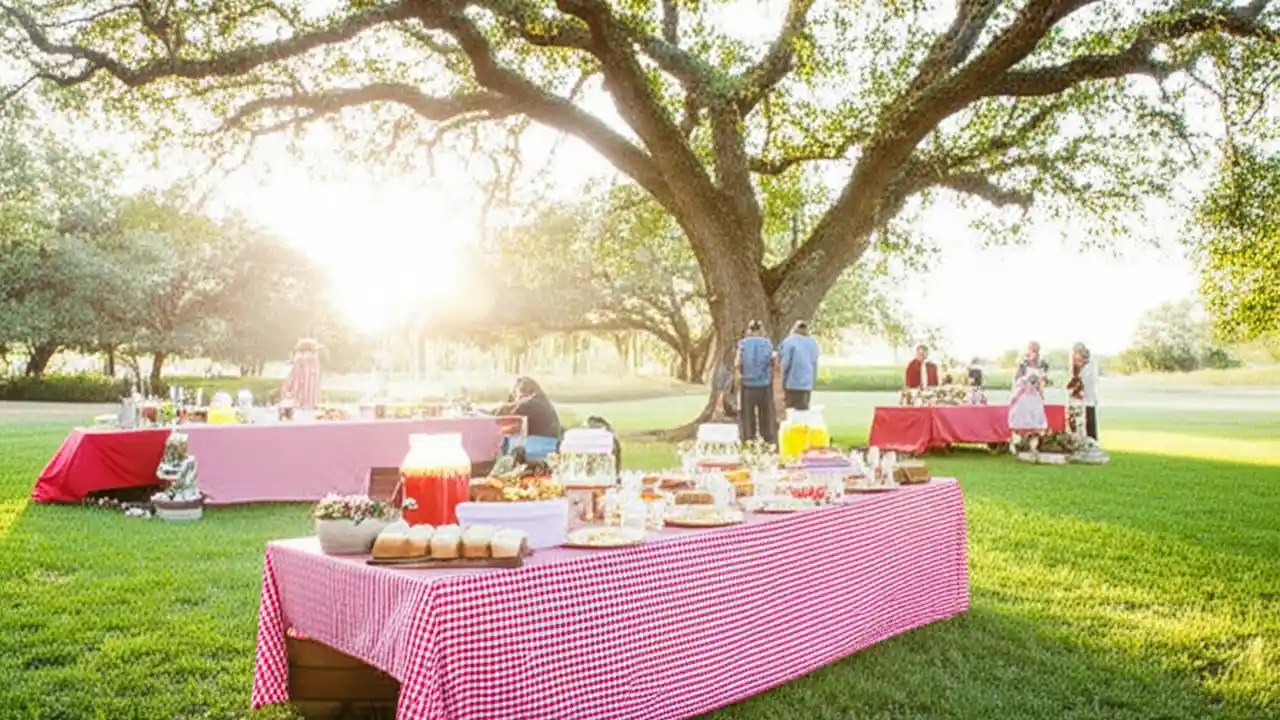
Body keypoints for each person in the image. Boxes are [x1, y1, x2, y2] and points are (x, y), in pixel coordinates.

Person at [735, 320, 777, 444]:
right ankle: (767, 439)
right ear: (761, 330)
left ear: (749, 330)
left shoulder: (742, 344)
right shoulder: (767, 343)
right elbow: (773, 361)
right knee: (766, 414)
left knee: (748, 415)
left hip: (748, 384)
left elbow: (737, 363)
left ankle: (748, 439)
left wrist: (740, 377)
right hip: (764, 384)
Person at [498, 377, 563, 440]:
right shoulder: (543, 402)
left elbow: (504, 414)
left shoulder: (529, 405)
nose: (515, 399)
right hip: (551, 443)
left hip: (538, 445)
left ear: (522, 392)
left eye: (515, 394)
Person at [1009, 342, 1049, 441]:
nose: (1033, 352)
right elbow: (1017, 379)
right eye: (1032, 350)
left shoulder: (1042, 364)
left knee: (1036, 414)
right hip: (1023, 392)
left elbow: (1043, 379)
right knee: (1021, 414)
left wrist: (1040, 386)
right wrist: (1025, 380)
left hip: (1035, 393)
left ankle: (1034, 439)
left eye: (1035, 350)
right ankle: (1020, 438)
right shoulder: (1023, 363)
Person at [779, 320, 820, 411]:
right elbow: (814, 363)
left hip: (792, 384)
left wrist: (780, 382)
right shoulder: (813, 343)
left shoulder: (789, 341)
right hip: (807, 385)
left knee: (791, 414)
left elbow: (784, 364)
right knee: (803, 413)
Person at [1070, 342, 1100, 440]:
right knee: (1078, 421)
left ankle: (1091, 441)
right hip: (1079, 400)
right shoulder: (1079, 367)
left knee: (1089, 422)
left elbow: (1087, 382)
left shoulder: (1089, 366)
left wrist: (1078, 388)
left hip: (1088, 398)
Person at [281, 338, 321, 409]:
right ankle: (310, 403)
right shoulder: (313, 356)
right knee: (309, 389)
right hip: (311, 378)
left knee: (298, 389)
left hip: (300, 376)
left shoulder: (300, 356)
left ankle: (299, 402)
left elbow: (296, 368)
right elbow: (315, 370)